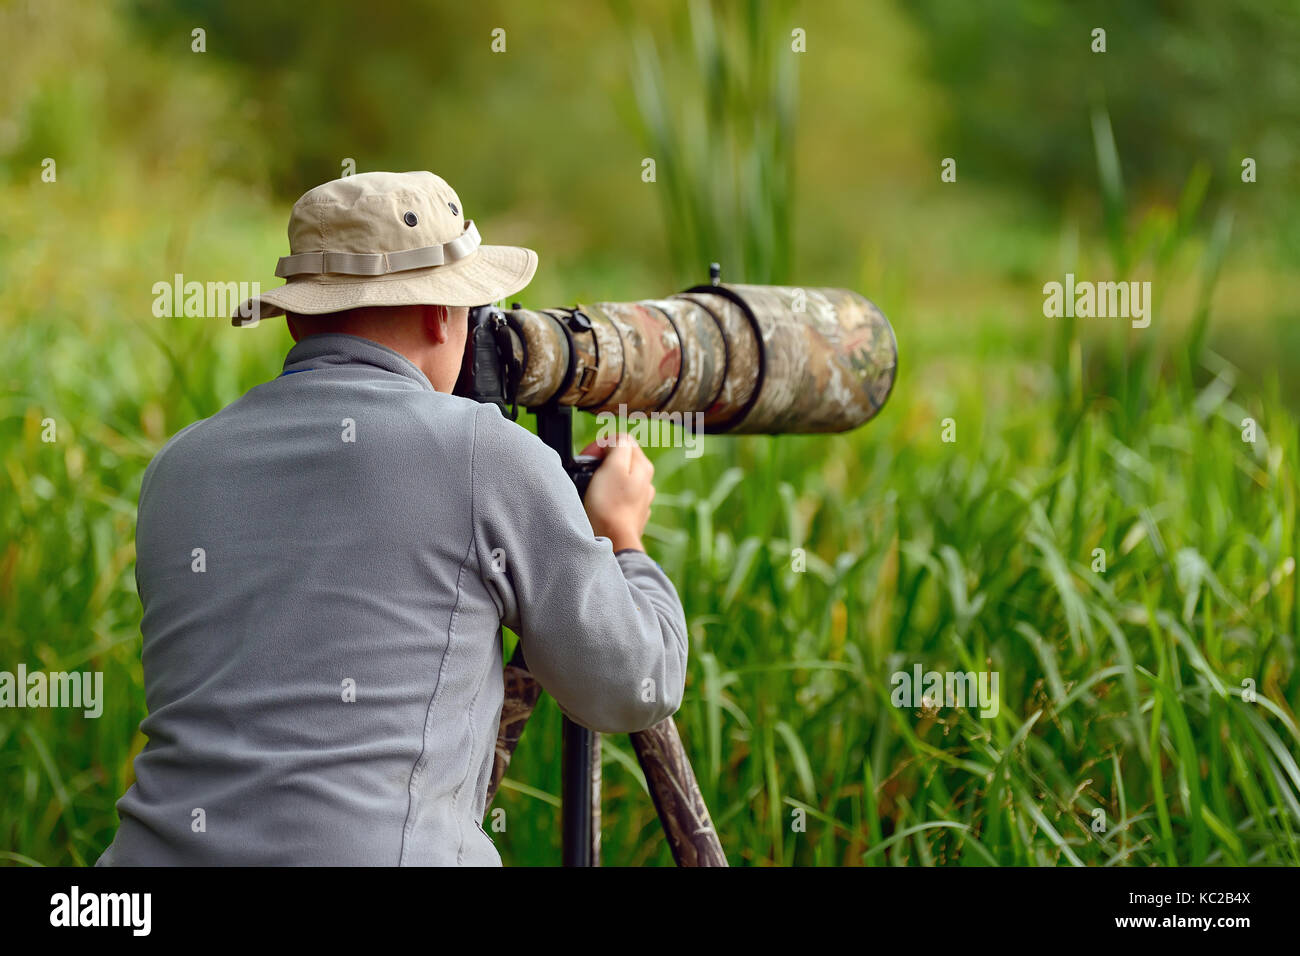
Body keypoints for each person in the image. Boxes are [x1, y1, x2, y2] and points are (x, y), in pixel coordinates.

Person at [97, 171, 688, 866]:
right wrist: (619, 535)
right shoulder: (484, 453)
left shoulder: (178, 465)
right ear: (443, 314)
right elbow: (629, 687)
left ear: (296, 316)